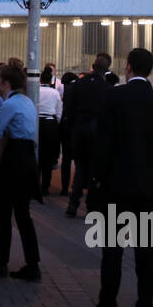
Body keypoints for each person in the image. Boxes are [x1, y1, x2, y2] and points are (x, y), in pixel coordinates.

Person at [89, 48, 153, 307]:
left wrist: (97, 180)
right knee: (146, 255)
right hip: (148, 188)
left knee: (112, 252)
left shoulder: (113, 97)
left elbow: (102, 144)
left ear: (127, 67)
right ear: (150, 71)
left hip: (116, 185)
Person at [0, 63, 41, 282]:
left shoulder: (9, 104)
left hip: (13, 161)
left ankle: (0, 262)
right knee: (23, 215)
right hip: (27, 161)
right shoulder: (27, 101)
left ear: (6, 83)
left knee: (4, 214)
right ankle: (32, 263)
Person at [64, 54, 112, 217]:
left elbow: (69, 109)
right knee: (94, 169)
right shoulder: (107, 89)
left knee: (80, 168)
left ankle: (73, 203)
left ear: (93, 66)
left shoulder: (79, 83)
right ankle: (91, 205)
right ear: (107, 70)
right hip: (96, 134)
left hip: (79, 131)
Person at [37, 67, 62, 194]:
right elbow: (59, 111)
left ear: (40, 79)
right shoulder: (55, 93)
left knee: (37, 152)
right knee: (49, 155)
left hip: (38, 122)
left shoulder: (36, 91)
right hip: (50, 122)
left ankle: (35, 184)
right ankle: (46, 187)